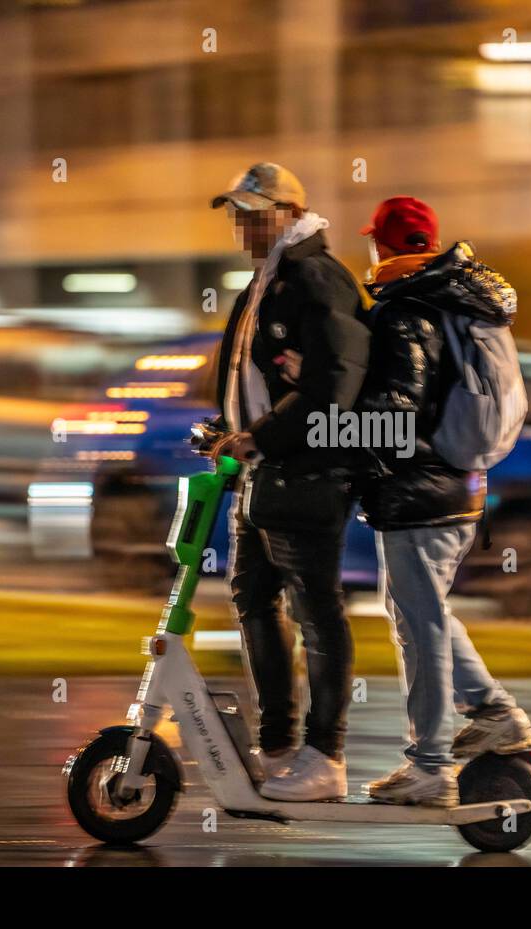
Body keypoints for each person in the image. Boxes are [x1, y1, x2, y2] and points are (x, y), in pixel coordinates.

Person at [354, 196, 531, 808]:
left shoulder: (408, 311)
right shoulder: (454, 300)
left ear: (387, 246)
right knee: (414, 609)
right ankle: (493, 713)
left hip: (421, 489)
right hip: (457, 482)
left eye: (374, 242)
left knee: (421, 622)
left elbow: (395, 413)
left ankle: (430, 765)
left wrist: (322, 432)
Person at [207, 162, 371, 801]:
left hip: (307, 471)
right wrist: (225, 426)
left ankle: (324, 758)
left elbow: (336, 384)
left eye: (250, 213)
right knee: (252, 600)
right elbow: (257, 379)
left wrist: (264, 435)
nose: (240, 225)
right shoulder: (270, 279)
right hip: (265, 472)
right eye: (235, 214)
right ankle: (278, 747)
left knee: (316, 609)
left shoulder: (314, 277)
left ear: (287, 213)